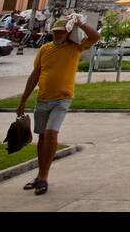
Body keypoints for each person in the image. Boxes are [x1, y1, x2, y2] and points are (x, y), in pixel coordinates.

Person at [15, 13, 101, 196]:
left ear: (68, 33)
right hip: (42, 98)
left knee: (51, 133)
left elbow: (95, 37)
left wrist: (82, 24)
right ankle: (39, 175)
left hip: (62, 99)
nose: (58, 35)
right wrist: (23, 101)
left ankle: (44, 176)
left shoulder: (75, 48)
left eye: (61, 33)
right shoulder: (44, 49)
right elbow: (34, 75)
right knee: (42, 137)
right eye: (55, 32)